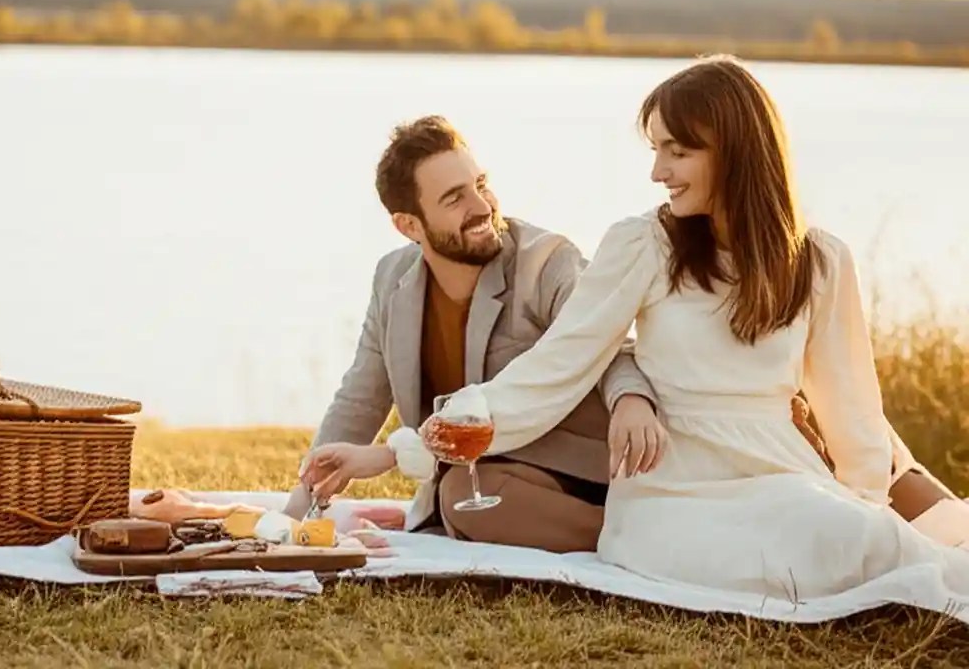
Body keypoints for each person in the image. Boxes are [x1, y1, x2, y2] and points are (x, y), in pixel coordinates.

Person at [388, 55, 969, 599]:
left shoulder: (821, 261)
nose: (657, 171)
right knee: (795, 549)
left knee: (851, 536)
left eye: (676, 151)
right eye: (656, 149)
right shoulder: (643, 244)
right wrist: (457, 420)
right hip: (671, 496)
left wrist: (863, 506)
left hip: (783, 476)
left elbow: (854, 415)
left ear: (732, 150)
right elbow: (559, 364)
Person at [282, 114, 663, 553]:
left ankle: (641, 538)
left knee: (463, 498)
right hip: (472, 475)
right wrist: (299, 504)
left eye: (480, 184)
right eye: (454, 198)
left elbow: (608, 342)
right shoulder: (392, 280)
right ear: (409, 225)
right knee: (460, 494)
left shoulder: (546, 261)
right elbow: (360, 397)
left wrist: (631, 398)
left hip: (573, 471)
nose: (482, 206)